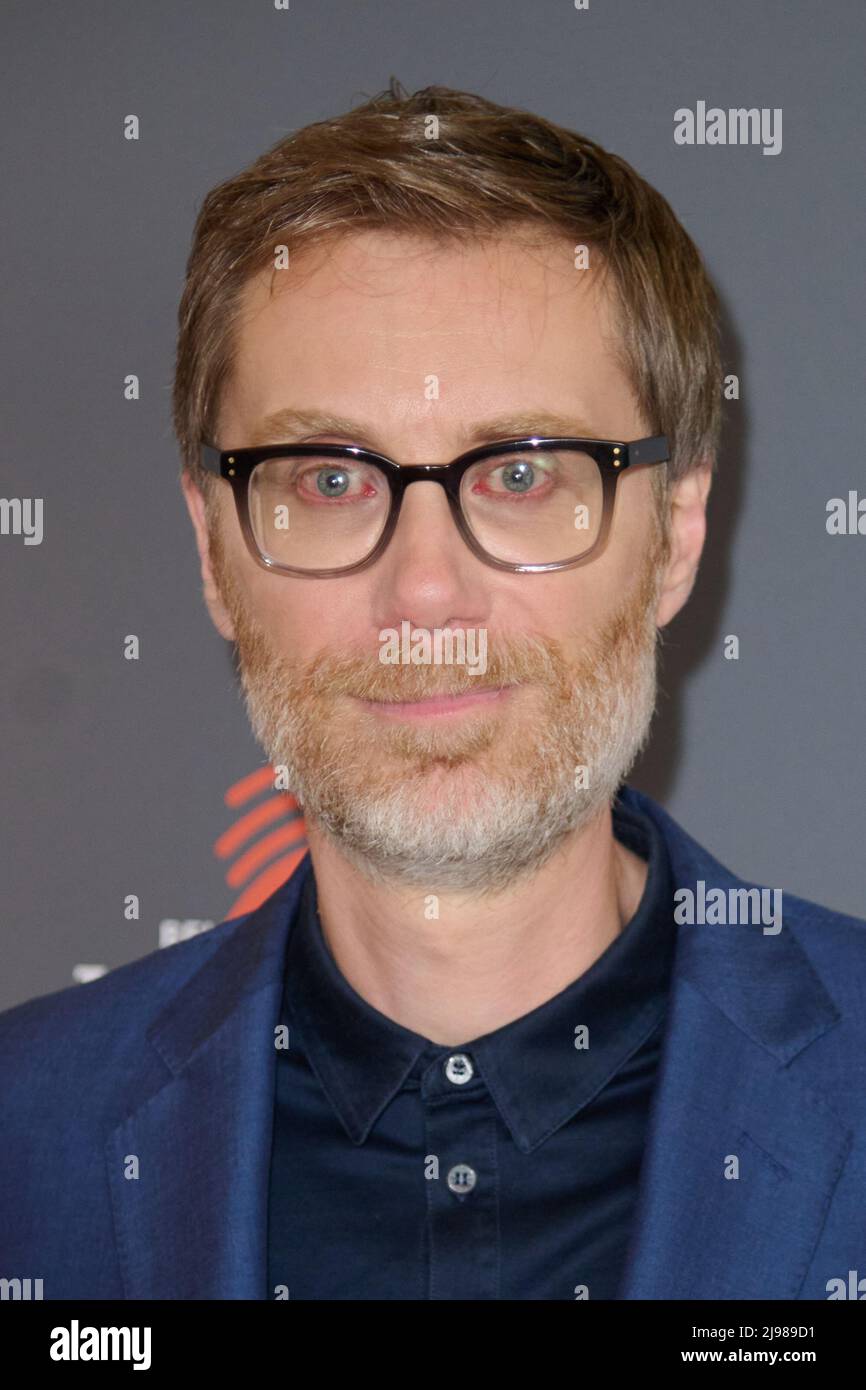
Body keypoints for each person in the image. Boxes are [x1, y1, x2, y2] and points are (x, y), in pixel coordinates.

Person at [1, 81, 864, 1302]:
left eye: (519, 471)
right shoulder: (22, 1138)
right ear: (213, 553)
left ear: (673, 539)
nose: (423, 592)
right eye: (330, 480)